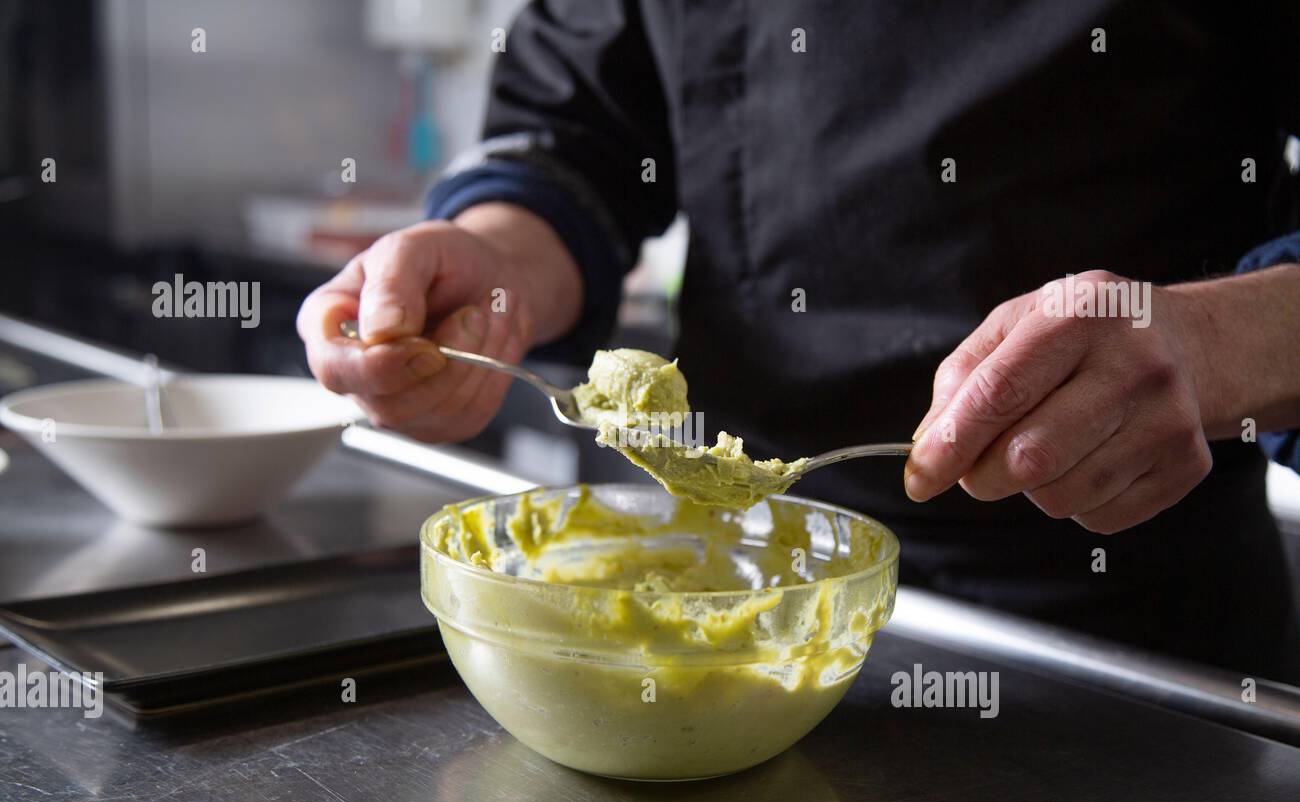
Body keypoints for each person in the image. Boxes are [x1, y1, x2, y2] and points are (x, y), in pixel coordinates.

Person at [298, 1, 1300, 681]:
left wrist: (1219, 347)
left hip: (1125, 638)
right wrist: (489, 269)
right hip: (731, 596)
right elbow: (581, 142)